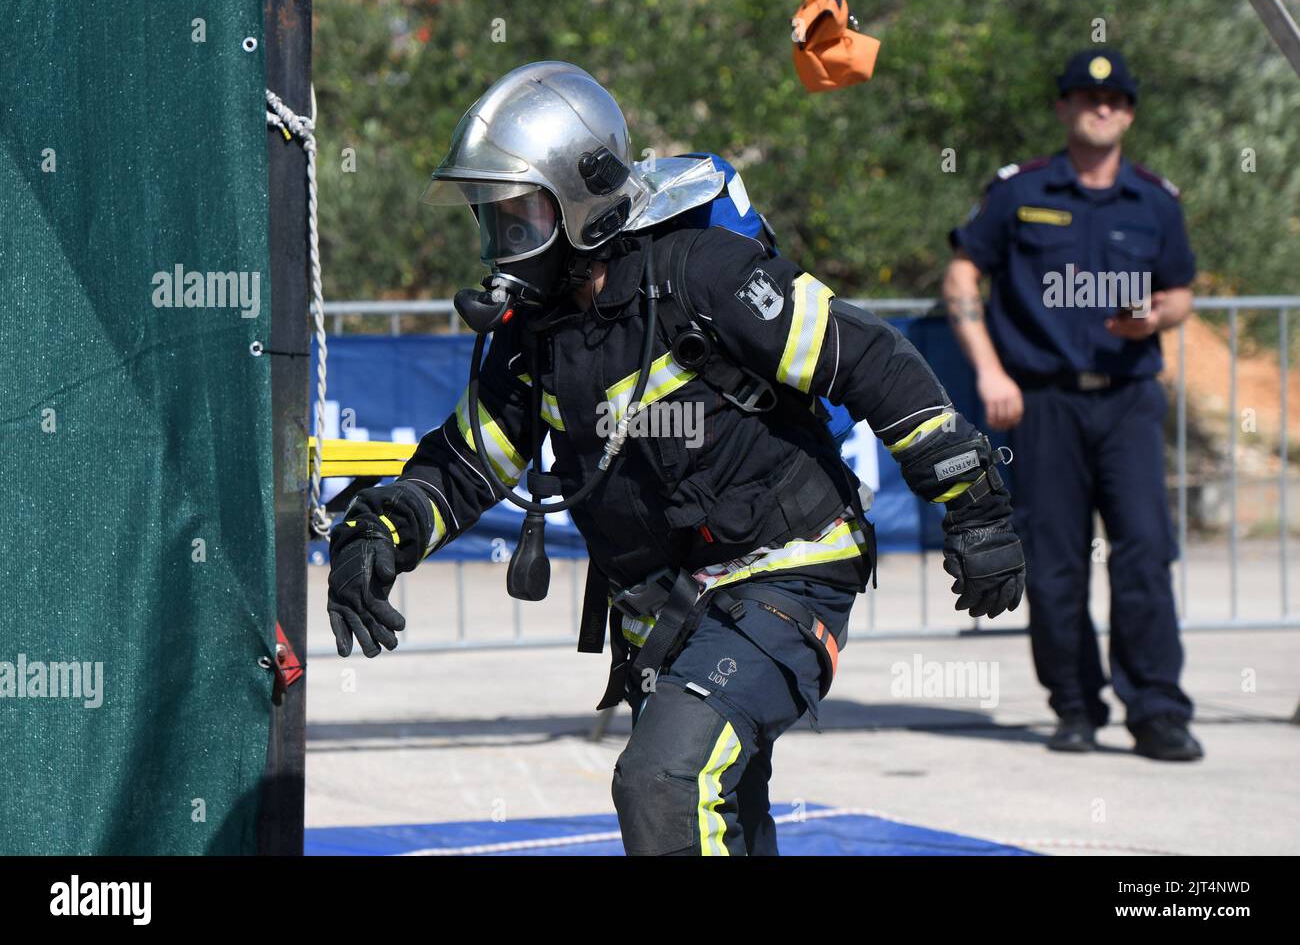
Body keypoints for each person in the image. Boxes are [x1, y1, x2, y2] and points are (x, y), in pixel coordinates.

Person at [327, 61, 1025, 855]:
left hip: (785, 569)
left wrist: (973, 501)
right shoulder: (534, 337)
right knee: (720, 816)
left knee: (666, 783)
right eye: (493, 221)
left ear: (582, 204)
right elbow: (467, 461)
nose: (502, 246)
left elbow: (868, 361)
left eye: (519, 219)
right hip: (664, 610)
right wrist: (379, 531)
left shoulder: (704, 275)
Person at [943, 49, 1202, 760]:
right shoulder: (1019, 191)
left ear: (1130, 111)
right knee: (1057, 562)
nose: (1102, 106)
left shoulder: (1154, 200)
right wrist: (992, 372)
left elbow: (1180, 289)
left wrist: (1159, 317)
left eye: (1116, 97)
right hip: (1045, 404)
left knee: (1145, 553)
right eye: (1087, 96)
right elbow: (964, 272)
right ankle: (1075, 706)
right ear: (1063, 108)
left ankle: (1157, 710)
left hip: (1128, 403)